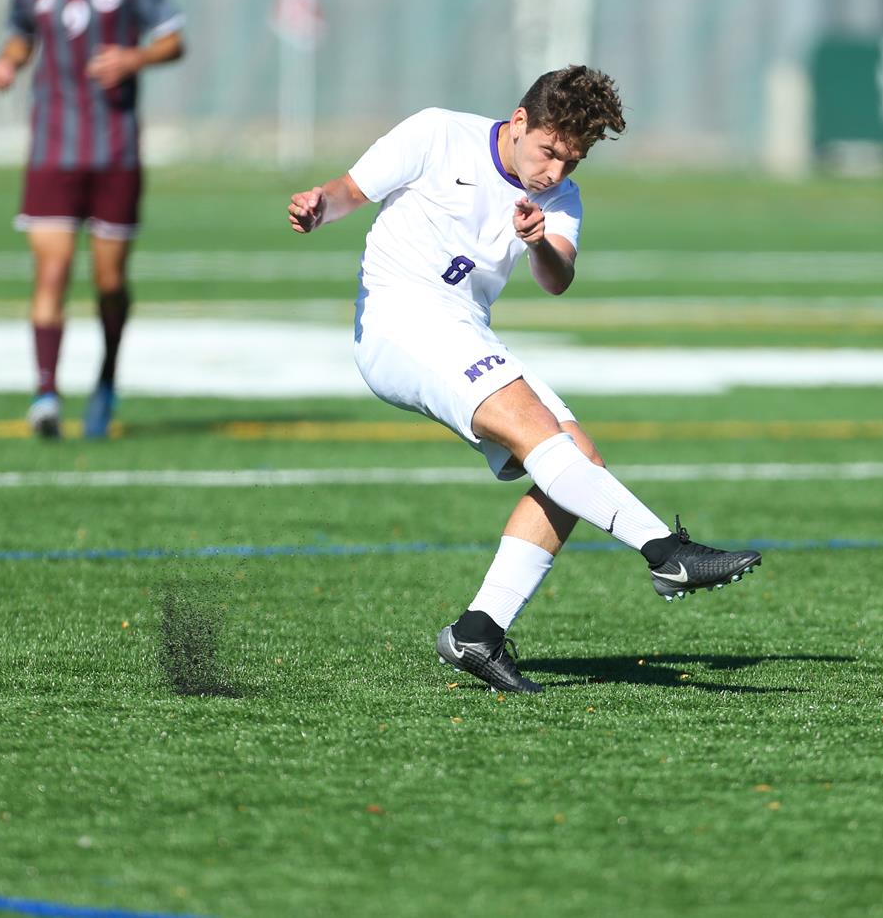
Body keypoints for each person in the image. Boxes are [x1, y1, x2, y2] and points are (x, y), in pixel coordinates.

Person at [285, 66, 762, 694]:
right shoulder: (437, 134)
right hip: (398, 321)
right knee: (546, 438)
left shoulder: (559, 199)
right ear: (517, 123)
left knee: (577, 460)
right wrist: (320, 206)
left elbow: (556, 278)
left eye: (573, 161)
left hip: (464, 330)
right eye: (549, 152)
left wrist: (536, 243)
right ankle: (664, 552)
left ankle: (478, 632)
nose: (555, 173)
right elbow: (351, 189)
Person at [0, 0, 185, 439]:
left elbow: (173, 37)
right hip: (53, 148)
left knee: (109, 281)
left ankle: (106, 377)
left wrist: (134, 59)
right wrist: (8, 61)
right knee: (50, 270)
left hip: (115, 151)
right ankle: (45, 394)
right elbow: (22, 33)